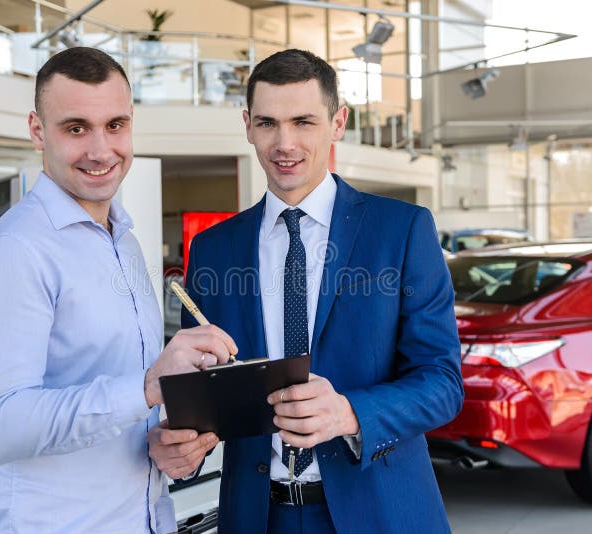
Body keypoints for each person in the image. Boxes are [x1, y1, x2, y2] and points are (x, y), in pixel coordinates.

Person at [172, 49, 464, 533]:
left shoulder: (403, 229)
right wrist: (181, 440)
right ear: (247, 125)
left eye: (303, 121)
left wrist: (349, 412)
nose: (284, 143)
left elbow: (442, 383)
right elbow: (203, 398)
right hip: (257, 516)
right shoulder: (212, 250)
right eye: (267, 123)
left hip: (381, 511)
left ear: (338, 122)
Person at [0, 47, 235, 533]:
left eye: (116, 125)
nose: (102, 150)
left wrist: (174, 441)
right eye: (76, 128)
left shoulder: (121, 238)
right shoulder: (16, 251)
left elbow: (119, 404)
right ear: (38, 131)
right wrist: (148, 387)